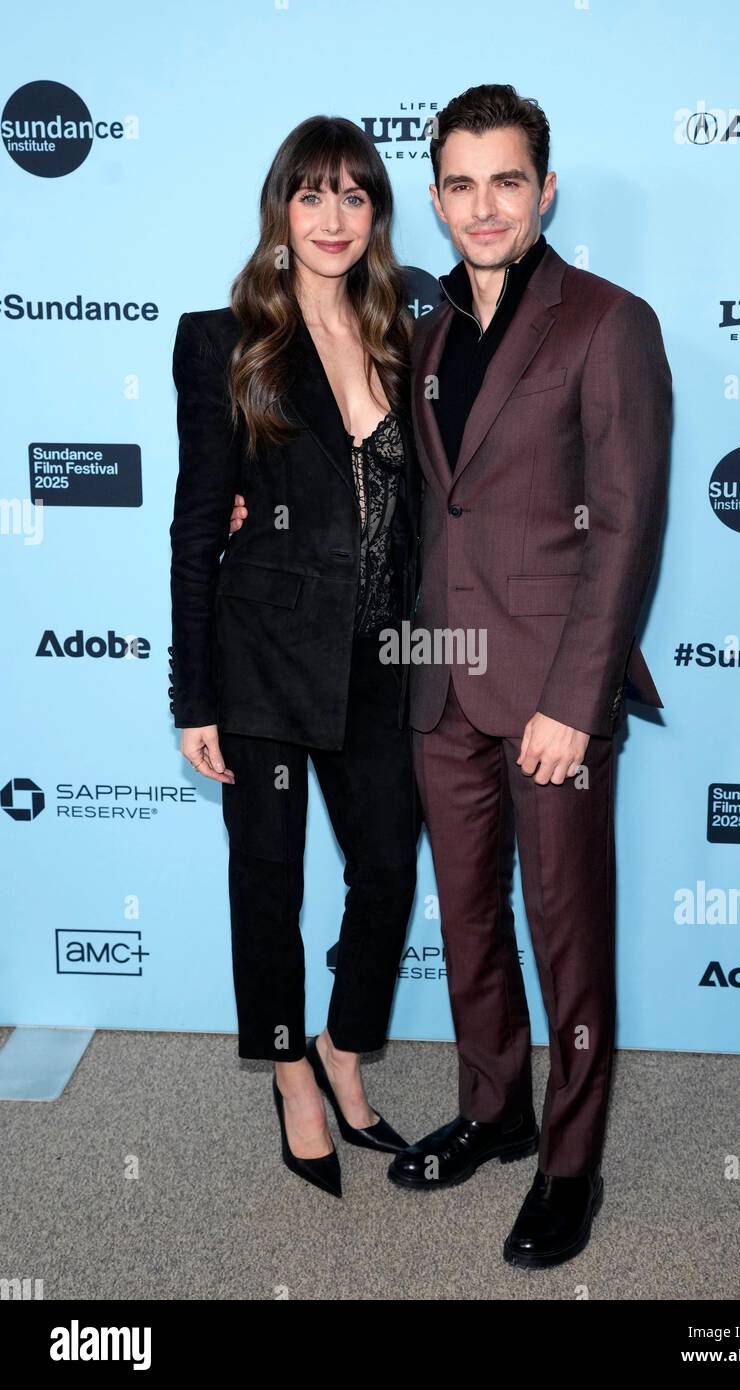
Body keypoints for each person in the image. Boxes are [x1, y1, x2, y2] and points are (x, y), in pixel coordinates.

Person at [230, 83, 672, 1267]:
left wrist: (576, 704)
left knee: (564, 932)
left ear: (544, 190)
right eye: (462, 185)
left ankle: (569, 1167)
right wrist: (250, 515)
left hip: (550, 698)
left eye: (508, 181)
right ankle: (497, 1111)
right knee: (468, 921)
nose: (484, 206)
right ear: (431, 202)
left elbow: (625, 527)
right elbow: (396, 494)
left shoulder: (606, 322)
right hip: (439, 687)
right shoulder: (422, 339)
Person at [169, 115, 422, 1199]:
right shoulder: (222, 338)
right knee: (266, 882)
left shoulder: (412, 333)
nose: (331, 217)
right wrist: (194, 694)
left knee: (385, 867)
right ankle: (291, 1074)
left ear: (376, 215)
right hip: (263, 653)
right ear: (281, 210)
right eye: (310, 195)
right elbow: (192, 527)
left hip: (385, 654)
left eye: (353, 196)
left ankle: (345, 1049)